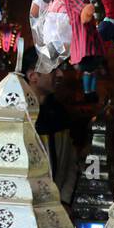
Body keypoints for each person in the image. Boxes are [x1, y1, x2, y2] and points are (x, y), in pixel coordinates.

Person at [21, 49, 79, 206]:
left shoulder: (60, 114)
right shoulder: (17, 116)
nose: (60, 74)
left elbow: (70, 162)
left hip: (57, 206)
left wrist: (64, 200)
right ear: (33, 76)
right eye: (53, 69)